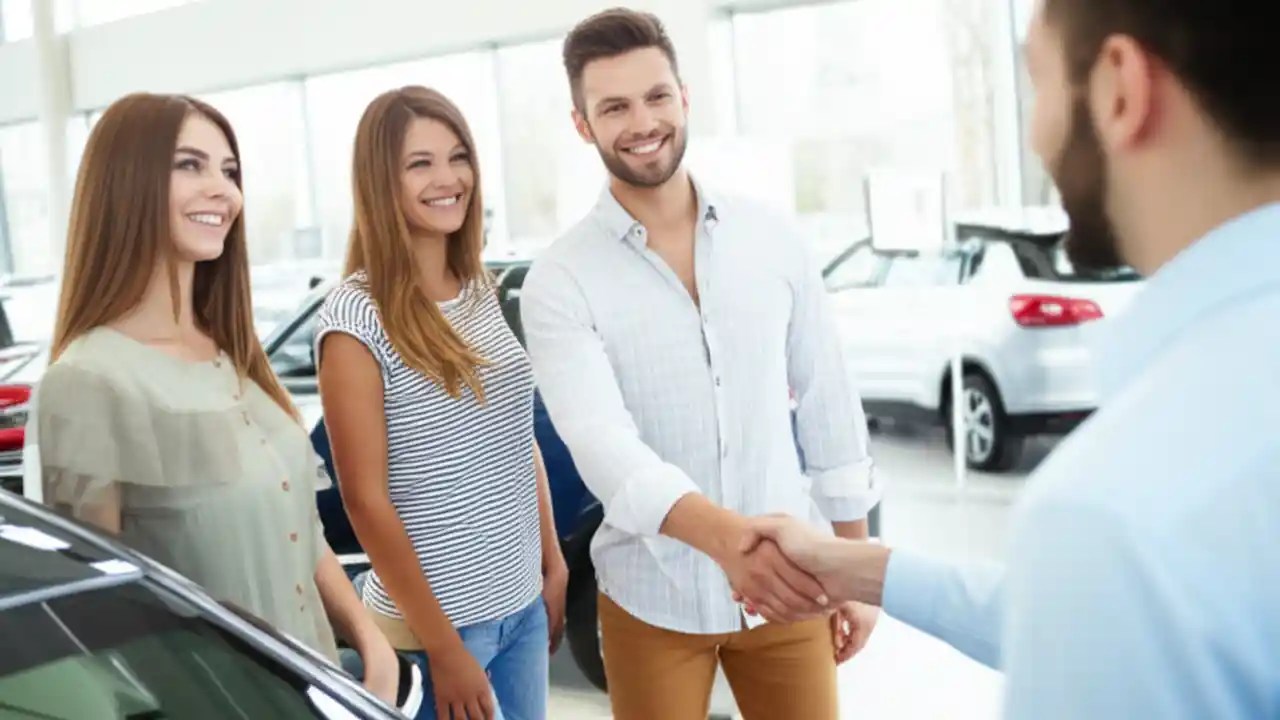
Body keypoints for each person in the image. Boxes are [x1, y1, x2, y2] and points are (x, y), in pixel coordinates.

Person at [737, 1, 1280, 718]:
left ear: (1120, 88)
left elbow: (1109, 587)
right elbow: (1093, 614)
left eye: (1039, 83)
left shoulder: (1115, 508)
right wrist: (852, 565)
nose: (1035, 133)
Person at [519, 10, 881, 720]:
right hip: (653, 597)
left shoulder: (772, 238)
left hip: (793, 593)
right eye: (613, 106)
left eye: (656, 96)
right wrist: (735, 545)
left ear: (685, 97)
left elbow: (829, 403)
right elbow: (605, 449)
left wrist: (854, 564)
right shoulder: (561, 278)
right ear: (582, 124)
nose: (641, 121)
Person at [31, 92, 400, 705]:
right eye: (190, 165)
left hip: (320, 692)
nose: (223, 191)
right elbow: (91, 622)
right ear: (125, 182)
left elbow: (299, 533)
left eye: (229, 172)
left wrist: (370, 639)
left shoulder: (234, 353)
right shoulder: (88, 382)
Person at [315, 85, 565, 720]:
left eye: (458, 157)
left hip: (520, 611)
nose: (448, 178)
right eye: (419, 163)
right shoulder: (354, 315)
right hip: (436, 637)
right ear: (381, 180)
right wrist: (444, 647)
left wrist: (552, 561)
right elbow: (365, 502)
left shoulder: (477, 286)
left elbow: (517, 439)